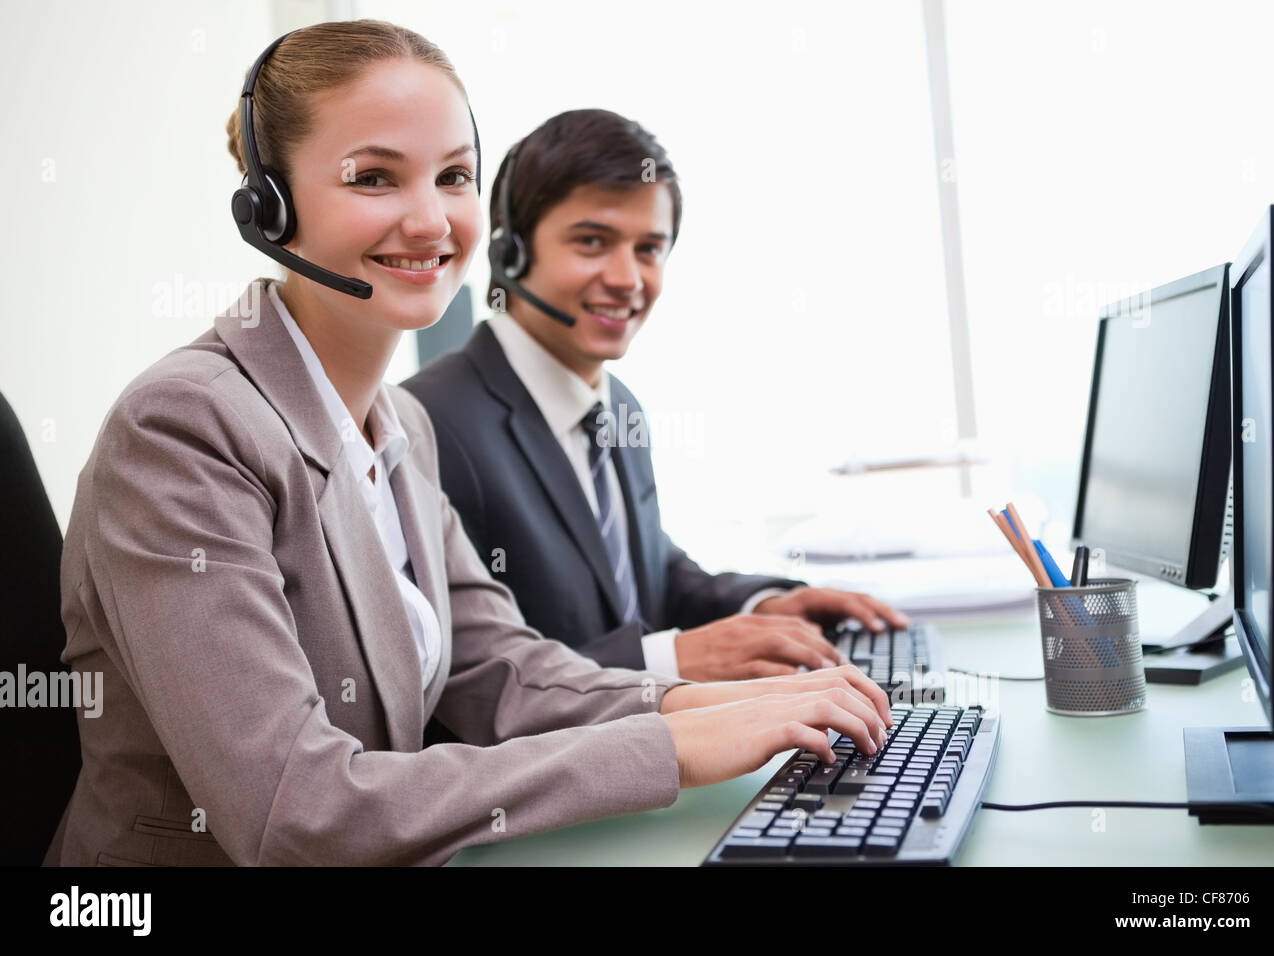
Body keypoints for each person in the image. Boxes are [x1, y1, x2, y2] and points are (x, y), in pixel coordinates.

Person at [45, 19, 892, 867]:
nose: (428, 221)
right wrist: (670, 751)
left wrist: (700, 705)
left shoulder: (398, 424)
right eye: (373, 177)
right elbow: (294, 812)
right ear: (271, 207)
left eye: (453, 177)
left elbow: (501, 672)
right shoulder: (184, 429)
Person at [402, 109, 910, 683]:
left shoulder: (617, 405)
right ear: (510, 252)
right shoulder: (428, 424)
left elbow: (649, 577)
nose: (628, 279)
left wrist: (760, 605)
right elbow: (461, 681)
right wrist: (667, 660)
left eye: (649, 248)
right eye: (593, 242)